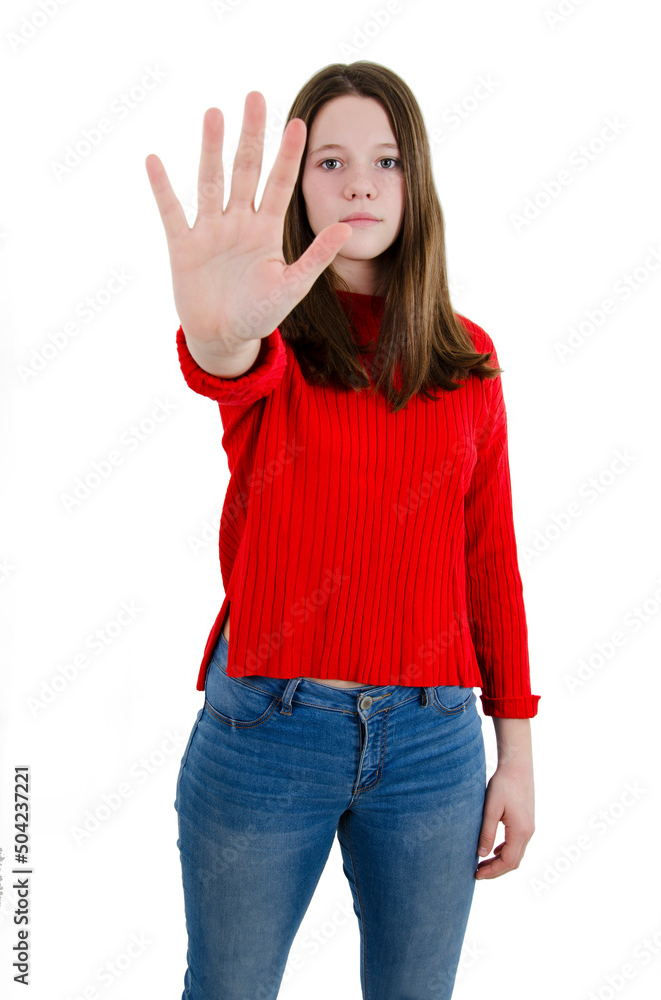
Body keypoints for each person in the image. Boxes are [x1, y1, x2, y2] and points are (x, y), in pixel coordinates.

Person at [145, 61, 540, 1000]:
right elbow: (227, 363)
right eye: (330, 160)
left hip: (434, 745)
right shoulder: (269, 345)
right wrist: (219, 333)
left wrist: (515, 754)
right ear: (299, 186)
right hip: (268, 729)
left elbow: (492, 559)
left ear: (417, 184)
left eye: (386, 159)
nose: (360, 181)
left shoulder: (469, 357)